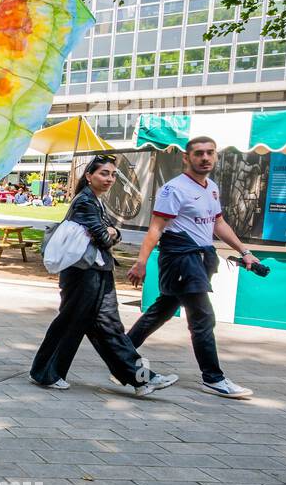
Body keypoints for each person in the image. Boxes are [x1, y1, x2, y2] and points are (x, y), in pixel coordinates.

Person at [31, 153, 179, 396]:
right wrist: (109, 232)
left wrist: (112, 232)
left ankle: (142, 380)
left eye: (112, 174)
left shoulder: (96, 201)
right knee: (70, 323)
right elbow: (103, 237)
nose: (110, 178)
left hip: (98, 271)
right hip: (81, 274)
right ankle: (44, 373)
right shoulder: (85, 202)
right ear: (89, 176)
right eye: (104, 173)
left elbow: (112, 233)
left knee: (109, 327)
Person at [126, 136, 256, 399]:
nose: (205, 158)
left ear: (216, 156)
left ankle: (120, 356)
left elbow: (218, 223)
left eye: (210, 152)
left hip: (200, 258)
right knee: (203, 317)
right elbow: (156, 228)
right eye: (198, 153)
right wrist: (141, 262)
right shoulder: (174, 189)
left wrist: (245, 252)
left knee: (162, 310)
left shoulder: (212, 187)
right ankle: (213, 378)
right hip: (180, 259)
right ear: (187, 158)